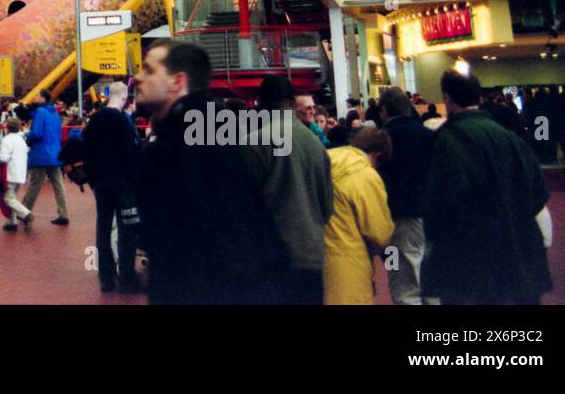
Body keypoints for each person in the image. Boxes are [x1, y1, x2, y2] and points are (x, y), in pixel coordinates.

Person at [133, 41, 288, 305]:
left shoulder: (188, 142)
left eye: (149, 70)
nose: (138, 77)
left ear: (177, 81)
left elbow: (209, 237)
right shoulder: (205, 129)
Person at [422, 72, 551, 305]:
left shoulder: (448, 141)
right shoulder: (510, 138)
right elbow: (539, 192)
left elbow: (441, 203)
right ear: (478, 98)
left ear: (448, 99)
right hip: (518, 248)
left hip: (470, 259)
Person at [249, 75, 333, 305]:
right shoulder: (316, 144)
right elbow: (326, 208)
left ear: (260, 103)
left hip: (271, 260)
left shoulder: (253, 143)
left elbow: (244, 208)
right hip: (312, 256)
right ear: (292, 102)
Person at [81, 80, 141, 293]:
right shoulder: (122, 122)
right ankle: (127, 278)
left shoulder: (94, 120)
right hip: (122, 184)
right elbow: (130, 153)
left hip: (101, 183)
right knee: (127, 229)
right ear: (124, 98)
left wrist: (93, 178)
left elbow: (85, 150)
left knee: (103, 227)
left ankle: (106, 277)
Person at [323, 127, 395, 304]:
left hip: (312, 258)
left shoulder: (323, 159)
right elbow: (379, 233)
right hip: (347, 265)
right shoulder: (365, 175)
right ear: (377, 156)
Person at [377, 86, 435, 304]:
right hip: (429, 217)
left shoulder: (381, 140)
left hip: (398, 220)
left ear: (383, 110)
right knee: (429, 281)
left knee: (403, 284)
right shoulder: (429, 135)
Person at [22, 89, 69, 225]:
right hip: (55, 153)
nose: (35, 96)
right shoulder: (55, 114)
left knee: (35, 185)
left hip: (41, 153)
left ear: (43, 98)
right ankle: (63, 213)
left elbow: (36, 133)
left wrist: (27, 136)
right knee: (58, 184)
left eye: (37, 95)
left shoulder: (40, 112)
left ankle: (24, 210)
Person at [0, 116, 32, 231]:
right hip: (21, 173)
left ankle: (25, 213)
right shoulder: (22, 139)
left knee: (8, 198)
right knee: (12, 198)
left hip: (10, 173)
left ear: (7, 127)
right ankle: (12, 221)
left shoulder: (7, 139)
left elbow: (3, 157)